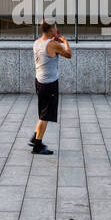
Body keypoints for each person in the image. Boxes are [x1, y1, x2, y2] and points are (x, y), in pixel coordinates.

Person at [29, 19, 70, 155]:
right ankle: (38, 146)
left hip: (39, 81)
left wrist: (55, 42)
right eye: (55, 27)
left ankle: (35, 137)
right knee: (45, 115)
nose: (57, 28)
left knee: (43, 112)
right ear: (52, 29)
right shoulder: (53, 44)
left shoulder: (37, 42)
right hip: (49, 84)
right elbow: (68, 54)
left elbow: (49, 51)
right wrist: (64, 42)